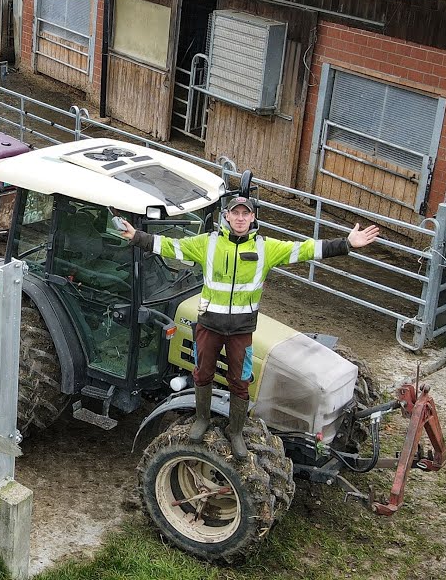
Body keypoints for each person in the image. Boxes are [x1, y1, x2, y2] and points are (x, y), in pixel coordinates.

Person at [117, 196, 380, 460]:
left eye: (246, 214)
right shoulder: (207, 244)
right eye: (236, 213)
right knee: (202, 373)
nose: (240, 218)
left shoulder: (266, 249)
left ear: (253, 218)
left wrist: (346, 244)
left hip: (241, 330)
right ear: (227, 217)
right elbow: (170, 246)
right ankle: (202, 419)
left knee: (240, 381)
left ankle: (236, 430)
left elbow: (305, 250)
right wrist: (136, 236)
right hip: (209, 326)